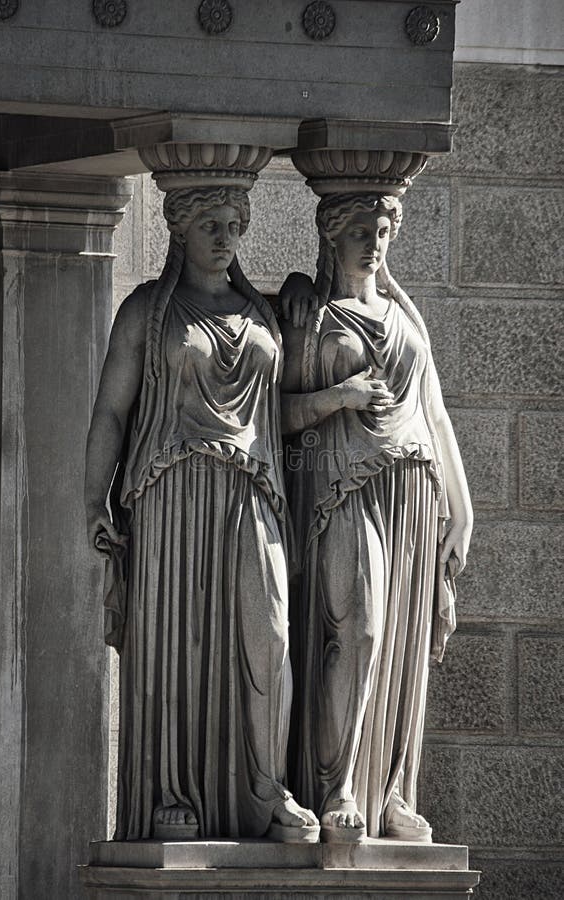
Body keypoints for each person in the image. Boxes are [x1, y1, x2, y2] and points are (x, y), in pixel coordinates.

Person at [85, 182, 318, 842]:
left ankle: (266, 790)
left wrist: (302, 282)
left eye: (234, 223)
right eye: (210, 223)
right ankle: (171, 792)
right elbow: (110, 411)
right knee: (176, 645)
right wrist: (92, 499)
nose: (225, 236)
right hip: (173, 491)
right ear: (179, 230)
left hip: (253, 491)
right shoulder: (147, 313)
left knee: (268, 638)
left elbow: (309, 359)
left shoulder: (262, 314)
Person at [280, 192, 473, 843]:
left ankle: (386, 789)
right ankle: (335, 785)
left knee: (397, 647)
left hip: (412, 489)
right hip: (341, 484)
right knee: (357, 630)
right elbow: (271, 415)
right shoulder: (309, 311)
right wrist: (340, 397)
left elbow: (435, 413)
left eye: (382, 229)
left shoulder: (401, 314)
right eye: (360, 229)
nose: (374, 241)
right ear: (332, 234)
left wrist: (462, 509)